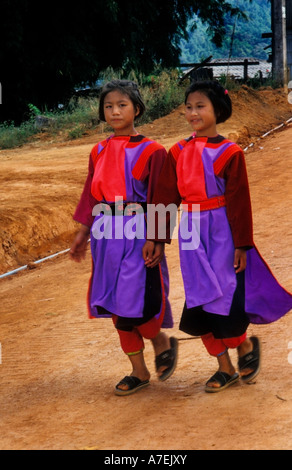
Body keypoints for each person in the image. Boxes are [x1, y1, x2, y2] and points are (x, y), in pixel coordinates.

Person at [151, 80, 292, 393]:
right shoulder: (176, 151)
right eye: (188, 106)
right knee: (199, 299)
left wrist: (242, 245)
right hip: (190, 228)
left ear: (218, 110)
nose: (193, 112)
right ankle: (225, 368)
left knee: (225, 295)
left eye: (200, 106)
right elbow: (165, 197)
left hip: (221, 231)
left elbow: (240, 203)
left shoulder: (230, 152)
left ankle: (242, 346)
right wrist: (156, 238)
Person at [70, 79, 178, 396]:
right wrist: (83, 233)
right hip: (106, 237)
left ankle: (159, 339)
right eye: (108, 106)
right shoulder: (98, 151)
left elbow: (163, 198)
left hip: (138, 232)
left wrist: (156, 239)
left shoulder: (153, 151)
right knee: (116, 305)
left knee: (139, 303)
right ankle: (138, 371)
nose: (115, 111)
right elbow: (91, 197)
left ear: (137, 109)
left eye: (122, 105)